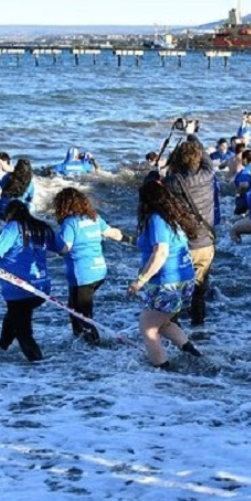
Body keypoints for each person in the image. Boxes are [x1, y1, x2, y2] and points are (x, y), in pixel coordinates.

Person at [0, 200, 58, 362]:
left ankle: (39, 365)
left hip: (19, 289)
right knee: (13, 318)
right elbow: (63, 248)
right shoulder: (42, 228)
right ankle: (1, 349)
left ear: (10, 214)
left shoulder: (14, 227)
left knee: (23, 331)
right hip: (42, 287)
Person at [128, 180, 201, 368]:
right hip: (184, 279)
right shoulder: (172, 218)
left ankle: (163, 371)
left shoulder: (156, 219)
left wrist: (140, 281)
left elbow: (161, 252)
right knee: (163, 321)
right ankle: (194, 355)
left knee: (148, 327)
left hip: (167, 282)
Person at [52, 187, 124, 344]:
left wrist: (46, 246)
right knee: (73, 309)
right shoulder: (94, 218)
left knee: (83, 316)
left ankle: (94, 351)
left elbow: (65, 248)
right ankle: (79, 343)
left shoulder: (70, 223)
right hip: (99, 272)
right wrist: (126, 237)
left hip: (82, 275)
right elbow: (114, 234)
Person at [163, 136, 218, 326]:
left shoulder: (172, 183)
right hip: (206, 242)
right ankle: (198, 325)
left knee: (175, 288)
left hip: (182, 245)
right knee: (200, 289)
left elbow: (159, 181)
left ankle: (174, 328)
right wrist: (192, 136)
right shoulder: (208, 174)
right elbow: (205, 156)